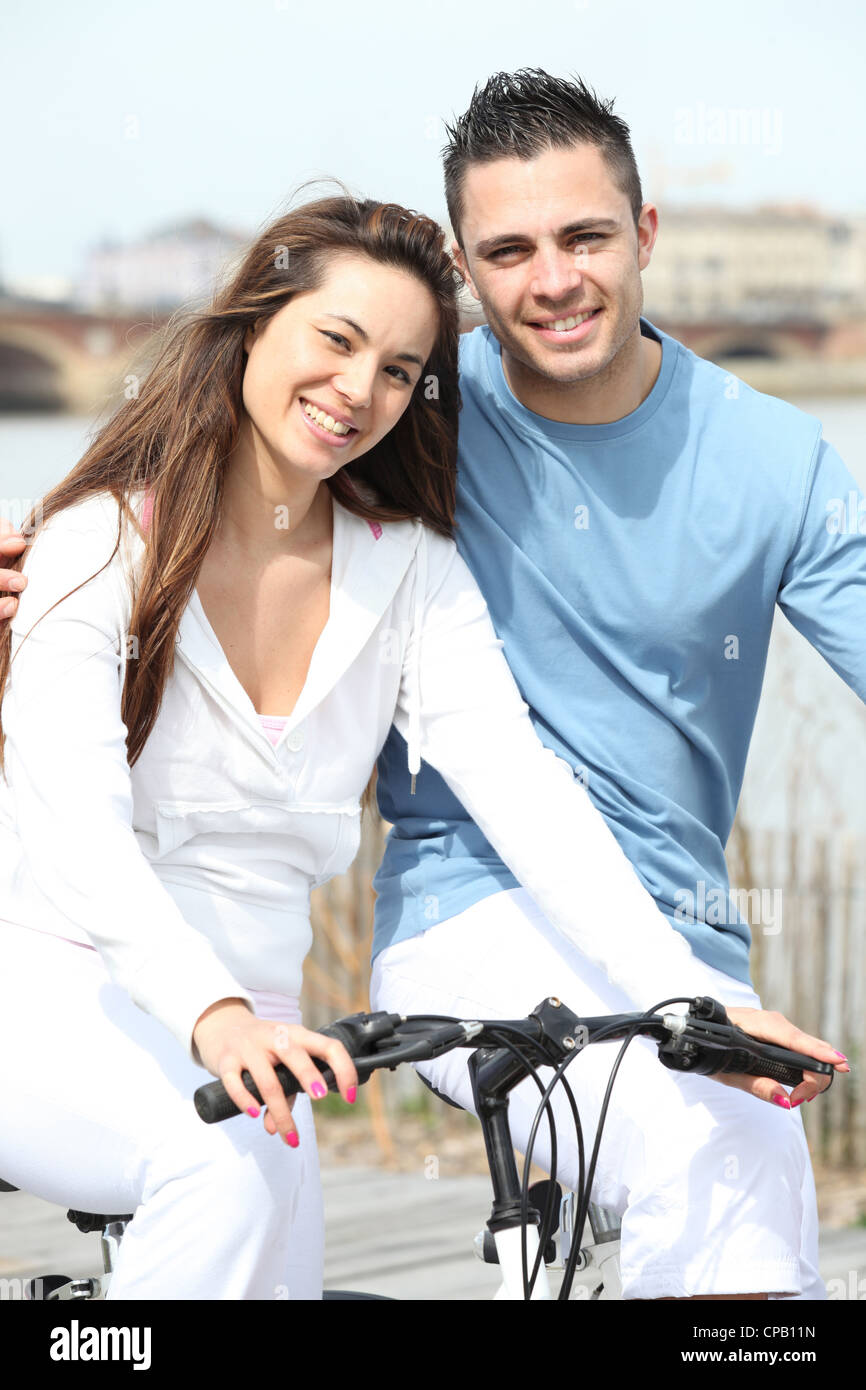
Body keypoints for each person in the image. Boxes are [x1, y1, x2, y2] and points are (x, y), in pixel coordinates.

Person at [3, 189, 833, 1303]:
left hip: (267, 1042)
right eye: (334, 341)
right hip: (64, 995)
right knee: (223, 1167)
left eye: (399, 369)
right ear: (254, 325)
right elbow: (72, 813)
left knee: (251, 1181)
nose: (358, 390)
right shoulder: (98, 535)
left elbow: (521, 792)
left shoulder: (406, 568)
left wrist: (690, 996)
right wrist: (208, 1009)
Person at [364, 70, 862, 1301]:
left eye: (583, 235)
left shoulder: (768, 451)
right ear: (466, 273)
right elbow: (225, 450)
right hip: (464, 912)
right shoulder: (413, 415)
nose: (552, 279)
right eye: (509, 249)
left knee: (750, 1185)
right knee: (727, 1145)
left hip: (681, 937)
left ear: (643, 234)